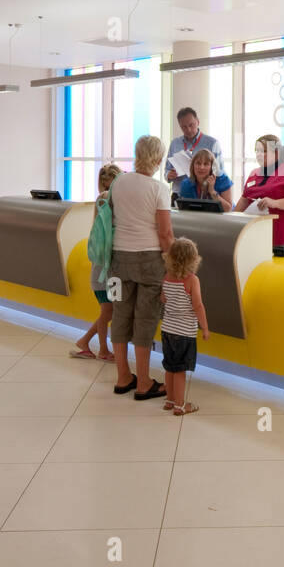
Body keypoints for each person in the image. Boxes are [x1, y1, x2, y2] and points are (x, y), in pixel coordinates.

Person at [107, 136, 173, 400]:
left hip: (118, 259)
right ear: (158, 159)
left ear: (136, 154)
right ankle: (144, 382)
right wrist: (174, 267)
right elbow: (166, 234)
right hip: (149, 261)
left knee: (120, 315)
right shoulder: (159, 189)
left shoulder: (118, 181)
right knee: (145, 320)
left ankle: (123, 377)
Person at [72, 163, 121, 360]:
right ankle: (102, 349)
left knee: (110, 311)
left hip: (104, 270)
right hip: (108, 271)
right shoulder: (107, 199)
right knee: (110, 311)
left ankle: (86, 342)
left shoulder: (100, 199)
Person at [159, 237, 209, 416]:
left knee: (169, 367)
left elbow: (163, 299)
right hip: (184, 333)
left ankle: (170, 400)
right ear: (193, 260)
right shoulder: (192, 280)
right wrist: (204, 327)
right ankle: (180, 405)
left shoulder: (167, 277)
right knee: (180, 370)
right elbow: (198, 306)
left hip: (167, 330)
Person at [234, 134, 284, 249]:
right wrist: (232, 219)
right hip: (258, 235)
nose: (259, 154)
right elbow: (245, 200)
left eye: (263, 151)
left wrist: (275, 203)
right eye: (257, 151)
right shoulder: (254, 173)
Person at [164, 107, 223, 186]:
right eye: (184, 127)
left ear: (198, 122)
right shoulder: (175, 143)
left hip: (203, 193)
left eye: (191, 125)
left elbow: (220, 173)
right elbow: (167, 170)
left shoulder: (212, 143)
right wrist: (169, 175)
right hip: (179, 193)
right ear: (180, 126)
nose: (188, 129)